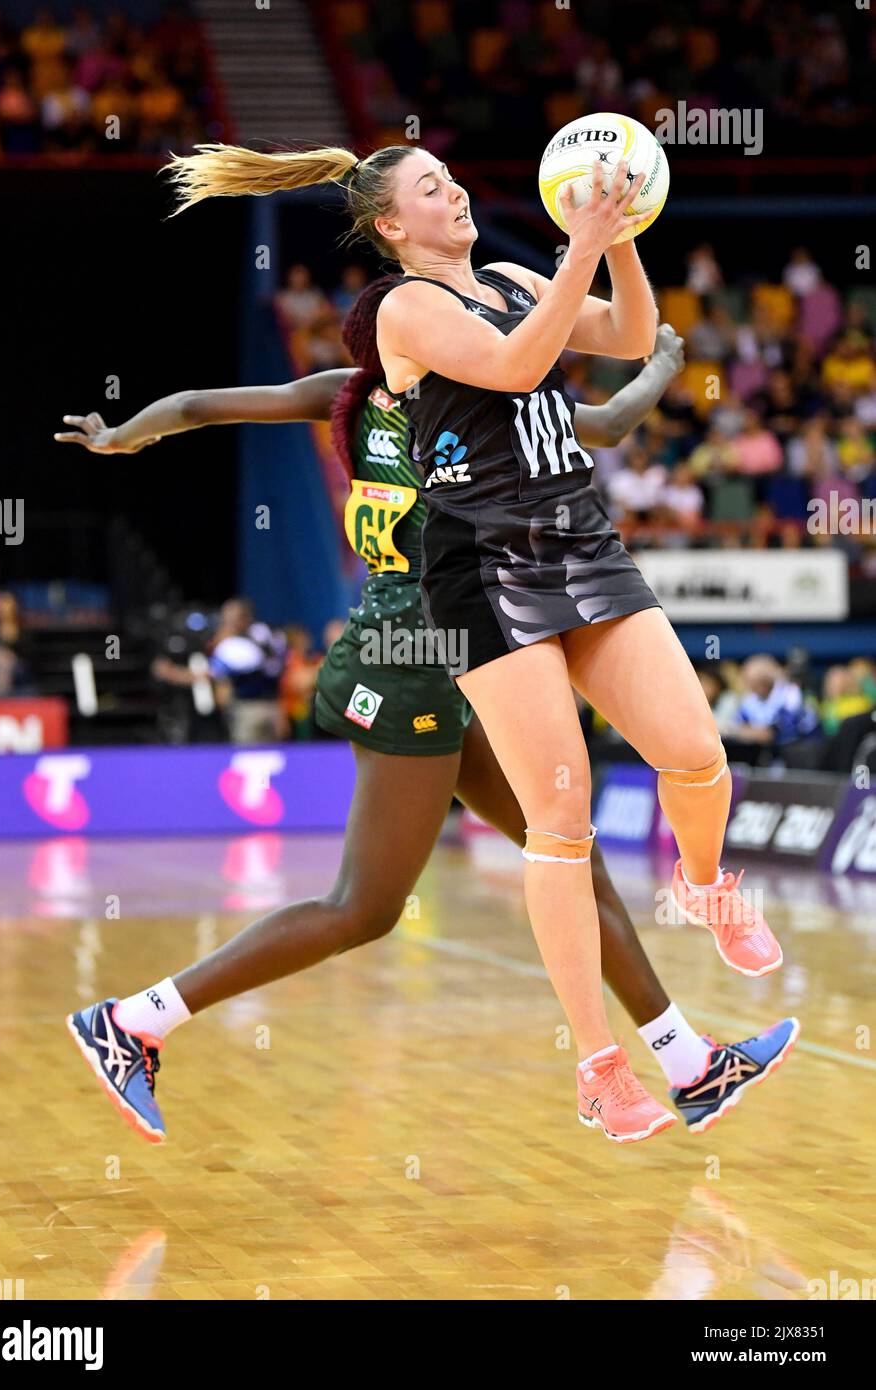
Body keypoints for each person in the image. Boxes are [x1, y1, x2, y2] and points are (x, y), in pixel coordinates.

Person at [57, 205, 796, 1149]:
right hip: (411, 648)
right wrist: (129, 433)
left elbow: (592, 417)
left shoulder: (484, 376)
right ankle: (135, 1021)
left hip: (475, 640)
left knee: (564, 846)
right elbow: (210, 404)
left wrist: (650, 356)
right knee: (367, 906)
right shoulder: (379, 388)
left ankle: (686, 1065)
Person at [153, 598, 289, 743]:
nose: (223, 625)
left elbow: (208, 674)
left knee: (248, 760)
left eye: (227, 620)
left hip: (251, 712)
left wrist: (170, 673)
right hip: (275, 706)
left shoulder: (237, 646)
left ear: (243, 619)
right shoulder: (266, 632)